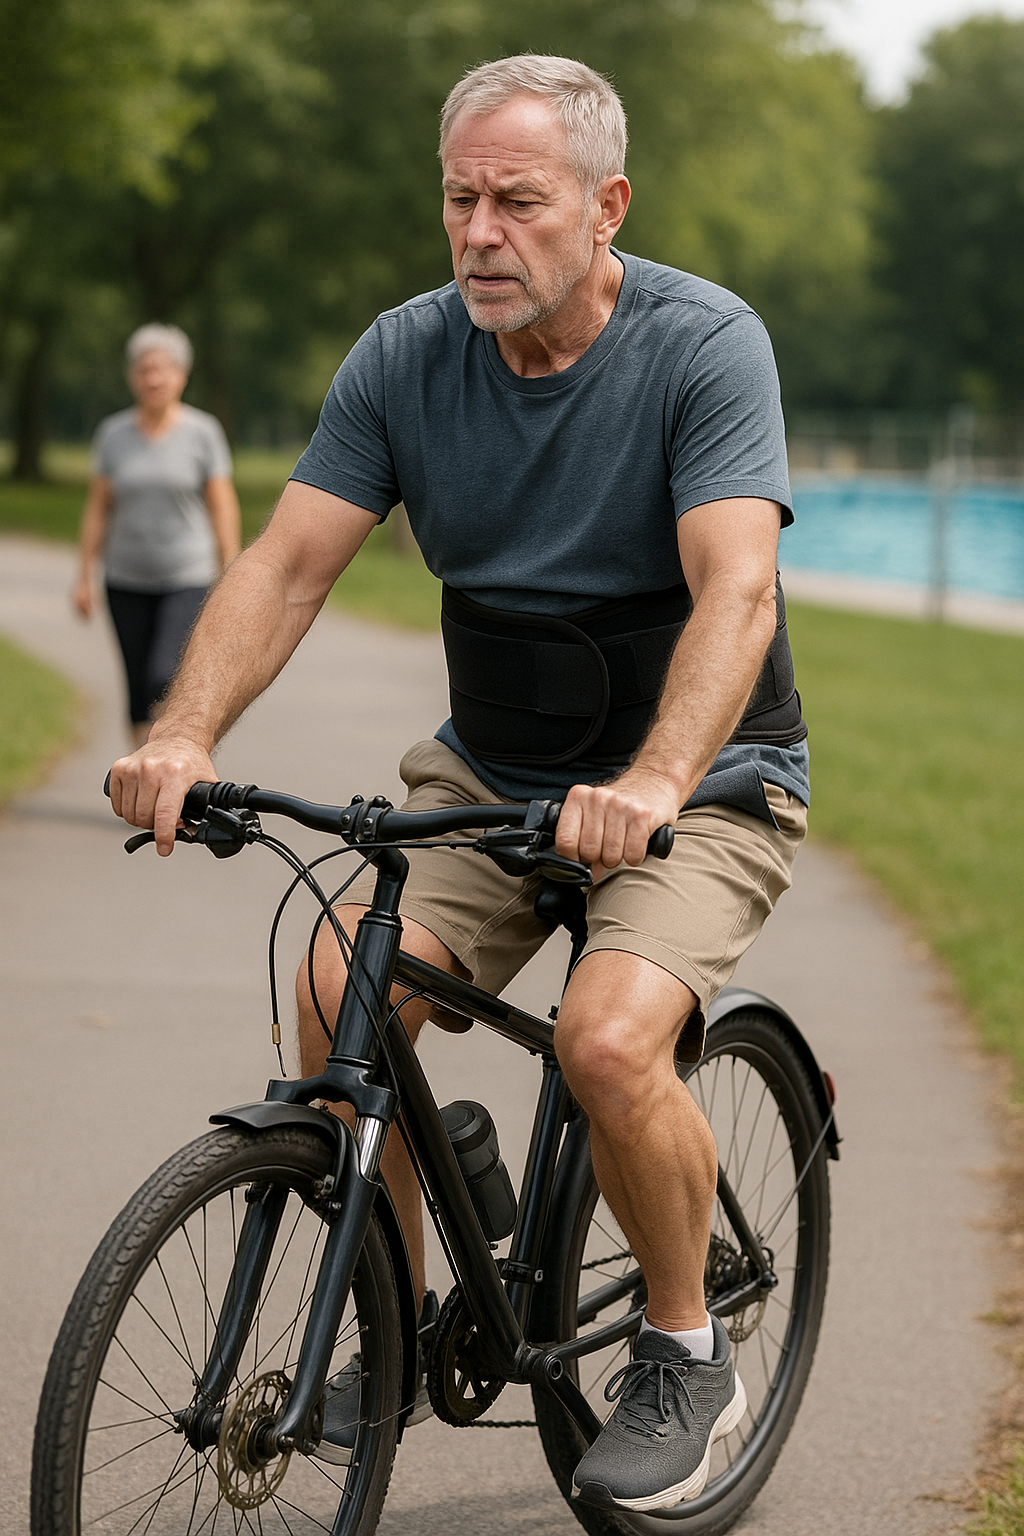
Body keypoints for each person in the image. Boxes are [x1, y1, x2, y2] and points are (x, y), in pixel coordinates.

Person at [109, 56, 810, 1513]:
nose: (481, 233)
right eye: (459, 199)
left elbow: (736, 590)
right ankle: (395, 1315)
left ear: (606, 207)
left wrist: (656, 777)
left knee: (607, 1045)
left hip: (701, 784)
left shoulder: (703, 345)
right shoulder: (405, 356)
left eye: (519, 202)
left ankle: (685, 1347)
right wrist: (183, 733)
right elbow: (286, 567)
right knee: (337, 993)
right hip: (493, 774)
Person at [74, 323, 241, 747]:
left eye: (161, 370)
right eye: (143, 370)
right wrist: (84, 575)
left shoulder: (202, 433)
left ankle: (174, 762)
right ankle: (143, 774)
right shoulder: (113, 434)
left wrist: (231, 569)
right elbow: (98, 508)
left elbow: (222, 505)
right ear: (132, 376)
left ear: (181, 376)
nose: (152, 379)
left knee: (164, 674)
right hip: (125, 578)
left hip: (187, 575)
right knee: (136, 684)